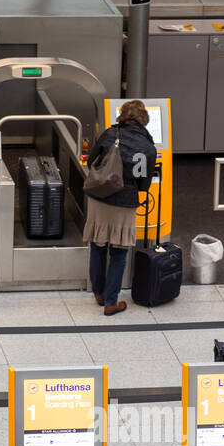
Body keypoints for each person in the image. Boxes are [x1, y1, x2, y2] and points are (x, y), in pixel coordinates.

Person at [83, 100, 157, 315]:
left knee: (97, 247)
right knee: (118, 252)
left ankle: (99, 293)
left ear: (123, 115)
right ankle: (111, 302)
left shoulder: (109, 135)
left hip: (98, 197)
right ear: (144, 119)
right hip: (124, 203)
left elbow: (91, 162)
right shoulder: (147, 148)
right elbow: (144, 182)